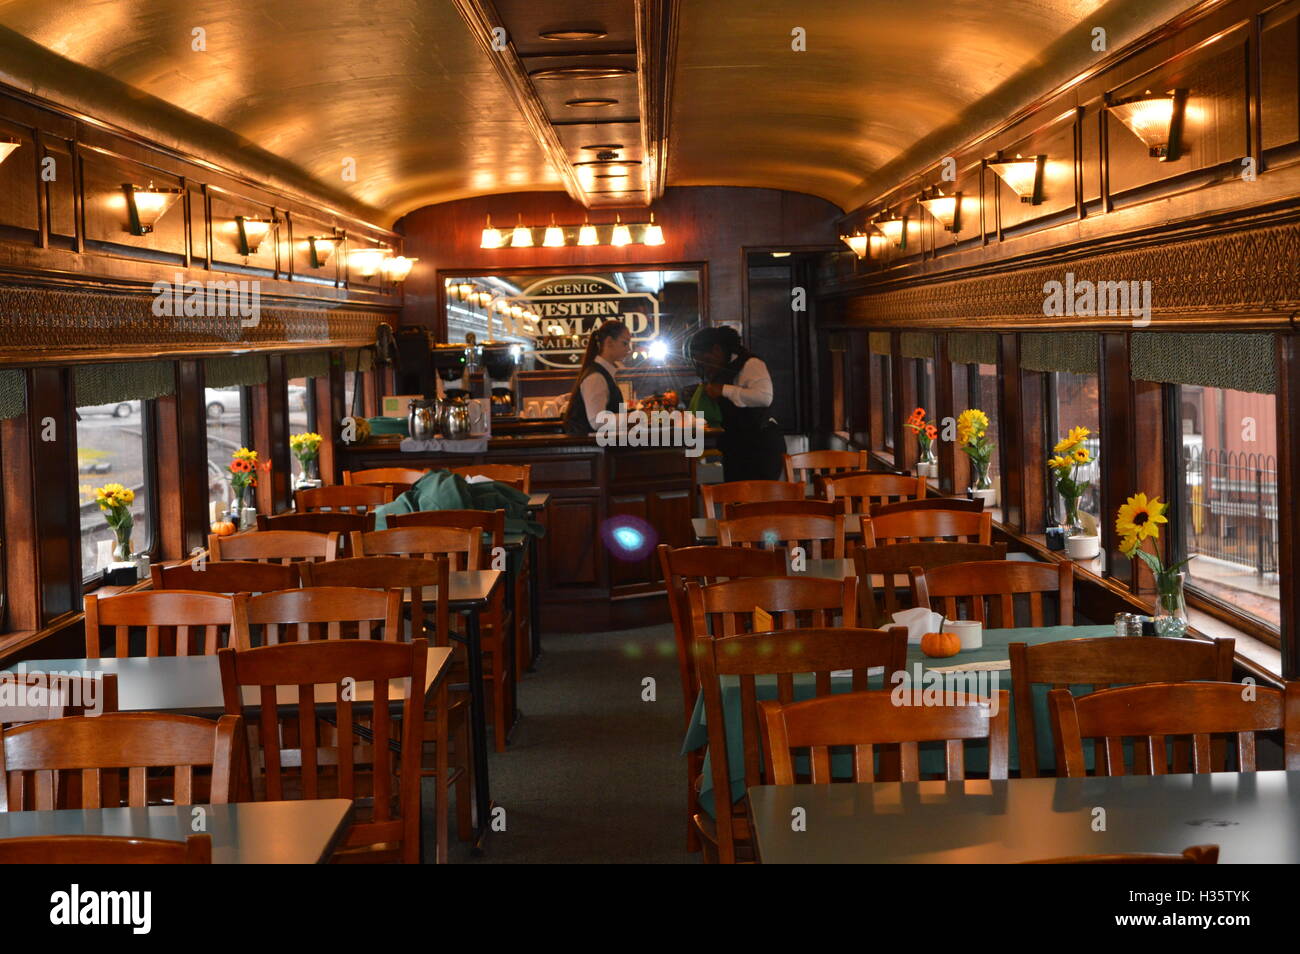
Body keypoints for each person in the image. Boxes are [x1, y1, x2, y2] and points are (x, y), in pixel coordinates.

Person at [687, 325, 786, 481]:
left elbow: (764, 397)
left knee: (758, 502)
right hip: (737, 445)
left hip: (760, 446)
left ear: (717, 350)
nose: (705, 367)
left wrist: (724, 390)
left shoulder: (751, 364)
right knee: (736, 501)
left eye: (706, 360)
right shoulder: (723, 368)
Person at [563, 319, 632, 435]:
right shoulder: (596, 376)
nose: (629, 349)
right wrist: (633, 418)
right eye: (625, 343)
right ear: (609, 342)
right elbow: (597, 421)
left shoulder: (601, 372)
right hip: (592, 449)